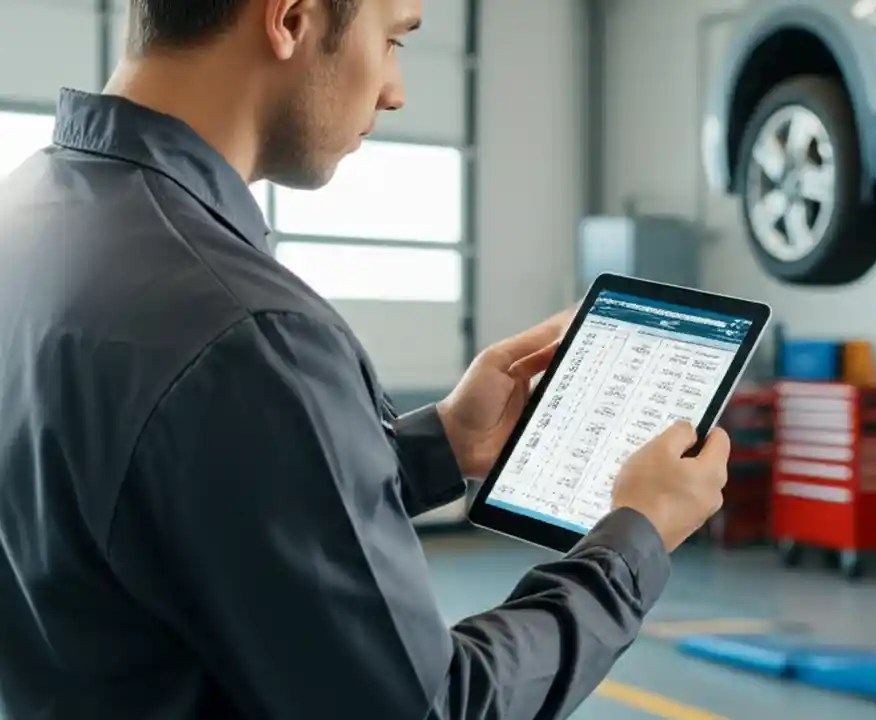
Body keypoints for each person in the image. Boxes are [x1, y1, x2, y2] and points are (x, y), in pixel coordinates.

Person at [0, 0, 732, 717]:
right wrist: (636, 533)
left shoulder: (31, 214)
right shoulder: (248, 331)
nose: (395, 91)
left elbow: (187, 504)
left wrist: (441, 443)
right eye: (394, 39)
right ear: (290, 18)